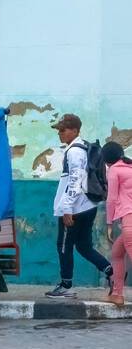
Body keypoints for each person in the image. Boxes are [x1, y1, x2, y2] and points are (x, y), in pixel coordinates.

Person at [47, 113, 112, 298]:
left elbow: (76, 180)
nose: (60, 133)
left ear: (75, 130)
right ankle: (110, 271)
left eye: (63, 130)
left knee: (64, 246)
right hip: (87, 206)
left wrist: (67, 208)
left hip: (75, 209)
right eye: (59, 130)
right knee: (84, 246)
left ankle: (66, 286)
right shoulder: (82, 148)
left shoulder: (74, 151)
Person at [102, 141, 132, 306]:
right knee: (117, 253)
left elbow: (112, 199)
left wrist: (109, 223)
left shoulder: (114, 170)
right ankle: (117, 294)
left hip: (129, 220)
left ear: (106, 160)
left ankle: (118, 294)